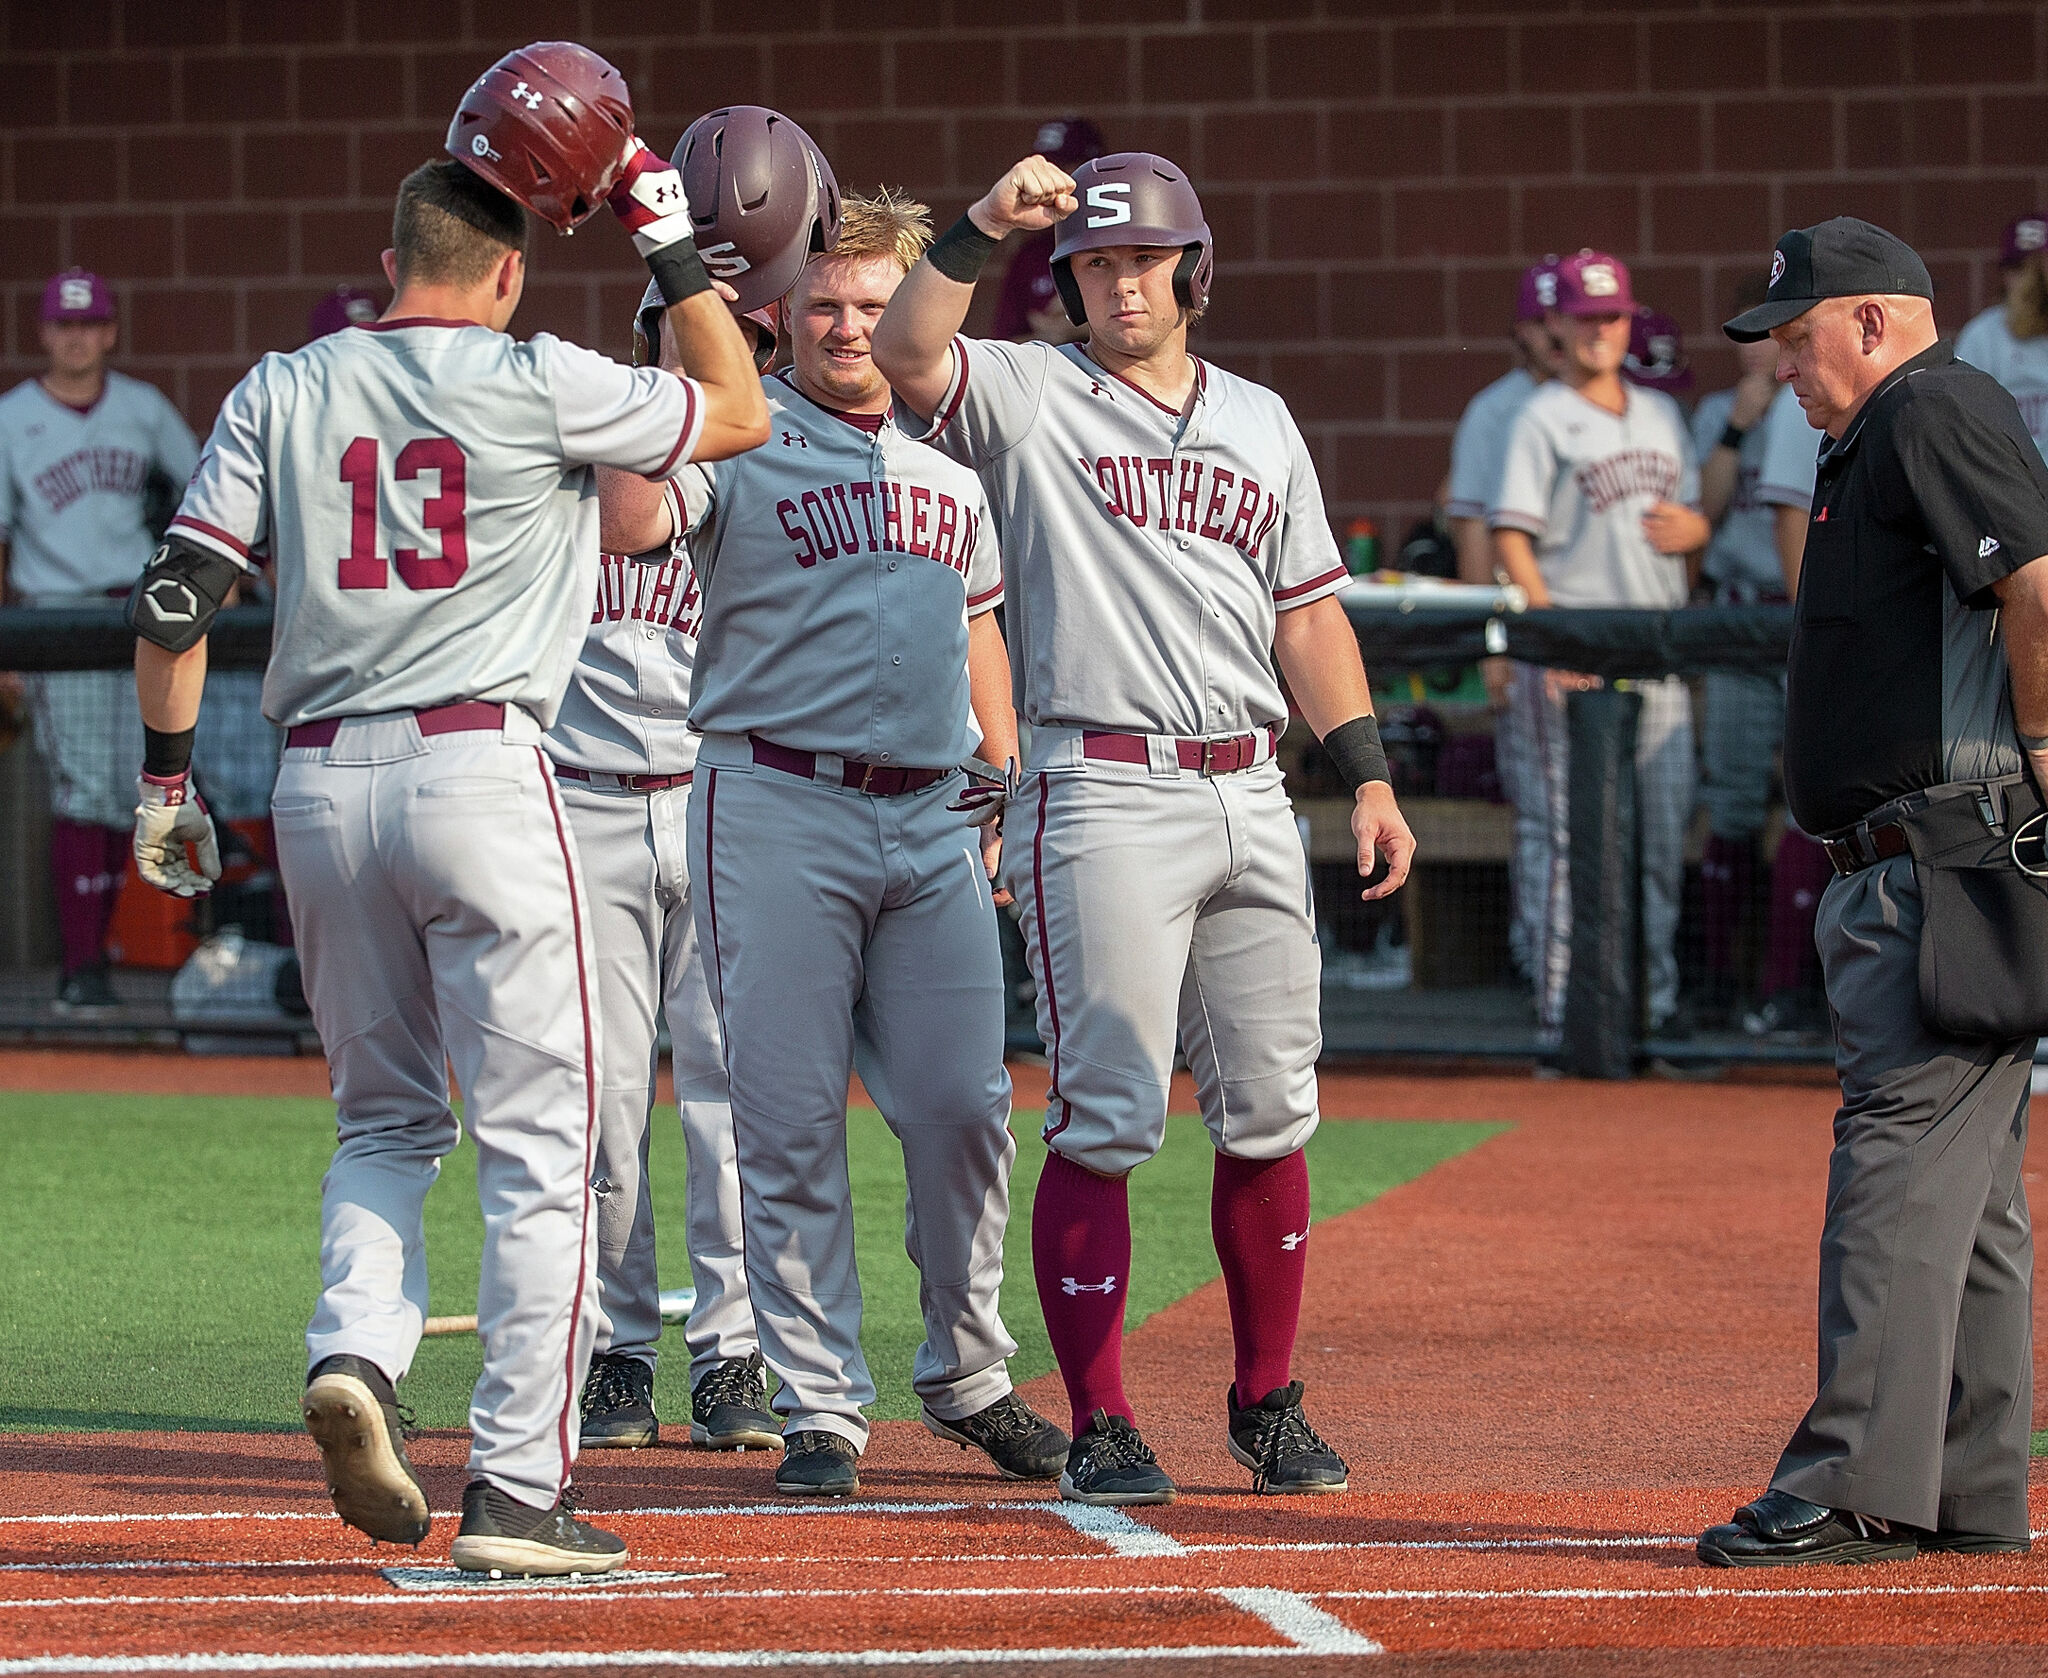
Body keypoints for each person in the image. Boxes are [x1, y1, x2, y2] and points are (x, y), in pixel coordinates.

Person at [127, 42, 769, 1575]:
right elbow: (736, 405)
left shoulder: (282, 383)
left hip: (317, 780)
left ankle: (356, 1348)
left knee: (384, 1118)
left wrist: (165, 785)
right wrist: (660, 226)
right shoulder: (543, 374)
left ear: (389, 265)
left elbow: (174, 599)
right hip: (486, 768)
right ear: (503, 278)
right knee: (545, 1143)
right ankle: (518, 1493)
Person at [873, 150, 1415, 1505]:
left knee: (1273, 1108)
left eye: (1144, 259)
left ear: (1195, 269)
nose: (1123, 282)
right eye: (1099, 264)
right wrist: (987, 225)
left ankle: (1266, 1399)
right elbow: (900, 347)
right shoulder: (1030, 387)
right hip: (1098, 777)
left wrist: (1367, 771)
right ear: (1068, 284)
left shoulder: (1262, 418)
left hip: (1250, 784)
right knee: (1108, 1112)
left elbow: (1307, 613)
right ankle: (1105, 1415)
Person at [601, 186, 1068, 1500]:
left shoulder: (947, 474)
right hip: (774, 800)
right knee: (788, 1118)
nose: (849, 323)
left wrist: (1009, 769)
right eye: (824, 303)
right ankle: (820, 1407)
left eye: (872, 303)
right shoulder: (736, 442)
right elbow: (632, 523)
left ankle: (970, 1372)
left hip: (931, 818)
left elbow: (980, 635)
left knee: (967, 1107)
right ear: (780, 316)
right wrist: (679, 331)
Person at [1699, 216, 2048, 1567]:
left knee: (1897, 1160)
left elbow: (2036, 582)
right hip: (1912, 861)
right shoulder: (1872, 435)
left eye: (1796, 334)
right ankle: (1963, 1482)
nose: (1781, 362)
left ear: (1872, 319)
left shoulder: (1933, 405)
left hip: (1943, 859)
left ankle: (1858, 1482)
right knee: (1969, 1198)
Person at [561, 104, 841, 1460]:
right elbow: (620, 509)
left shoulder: (783, 443)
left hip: (726, 793)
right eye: (687, 321)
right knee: (608, 1098)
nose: (712, 341)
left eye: (736, 327)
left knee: (734, 1092)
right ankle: (621, 1346)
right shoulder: (586, 422)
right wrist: (657, 360)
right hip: (587, 792)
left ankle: (731, 1352)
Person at [1488, 250, 1710, 1046]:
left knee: (1656, 841)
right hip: (1575, 652)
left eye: (1612, 317)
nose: (1599, 332)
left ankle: (1646, 1008)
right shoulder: (1540, 416)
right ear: (1560, 325)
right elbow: (1509, 538)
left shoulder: (1660, 416)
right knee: (1565, 844)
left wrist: (1700, 530)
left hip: (1656, 649)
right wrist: (1548, 643)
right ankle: (1563, 1016)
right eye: (1585, 318)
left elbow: (1686, 528)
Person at [0, 268, 198, 1012]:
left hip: (138, 616)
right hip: (56, 617)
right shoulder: (13, 418)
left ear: (109, 331)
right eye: (63, 324)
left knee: (125, 789)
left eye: (89, 324)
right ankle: (80, 968)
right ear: (45, 332)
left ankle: (97, 960)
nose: (76, 336)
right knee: (82, 788)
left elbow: (207, 488)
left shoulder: (143, 410)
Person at [1444, 257, 1561, 987]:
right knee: (1543, 817)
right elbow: (1474, 531)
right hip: (1524, 632)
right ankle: (1540, 964)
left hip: (1605, 637)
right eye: (1542, 321)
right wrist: (1489, 639)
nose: (1554, 335)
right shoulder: (1498, 408)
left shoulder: (1628, 405)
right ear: (1521, 330)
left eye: (1565, 319)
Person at [1690, 274, 1791, 1026]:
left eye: (1772, 334)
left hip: (1798, 621)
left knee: (1811, 805)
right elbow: (1704, 517)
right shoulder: (1715, 416)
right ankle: (1721, 981)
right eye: (1749, 336)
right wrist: (1735, 428)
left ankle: (1785, 988)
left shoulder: (1824, 410)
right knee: (1731, 802)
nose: (1759, 350)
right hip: (1736, 616)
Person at [988, 117, 1105, 345]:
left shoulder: (1121, 240)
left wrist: (1084, 323)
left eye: (1062, 167)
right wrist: (1047, 336)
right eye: (1046, 168)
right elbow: (1003, 343)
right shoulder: (1030, 255)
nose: (1050, 180)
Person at [1954, 212, 2048, 461]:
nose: (2033, 282)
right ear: (2005, 275)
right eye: (2019, 269)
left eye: (2040, 269)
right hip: (2009, 481)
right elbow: (1961, 425)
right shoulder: (1982, 337)